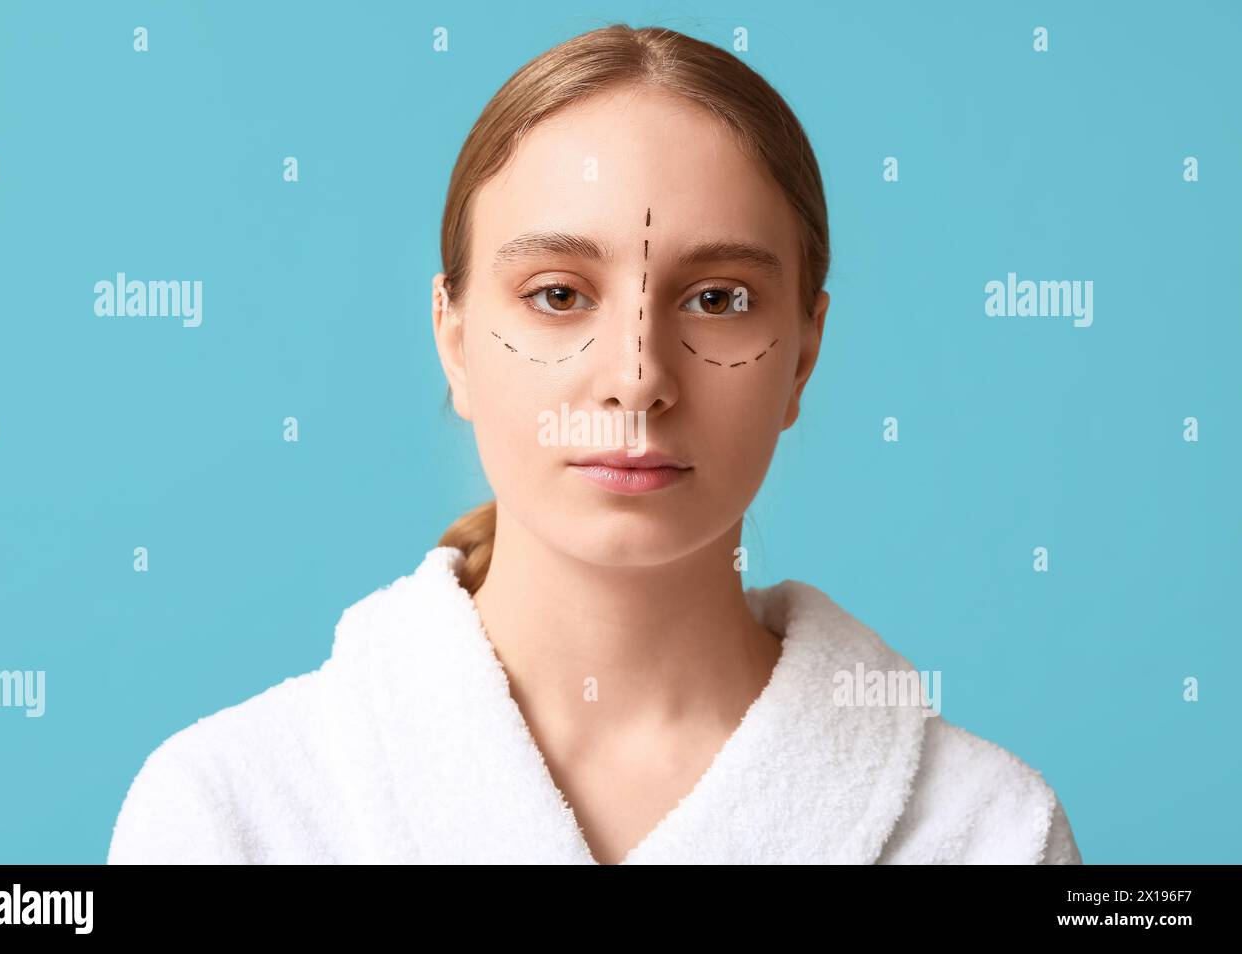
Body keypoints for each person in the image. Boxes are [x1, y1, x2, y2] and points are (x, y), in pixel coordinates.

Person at [107, 23, 1081, 865]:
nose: (637, 375)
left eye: (718, 300)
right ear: (453, 341)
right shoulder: (228, 814)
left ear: (802, 355)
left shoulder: (986, 831)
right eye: (558, 295)